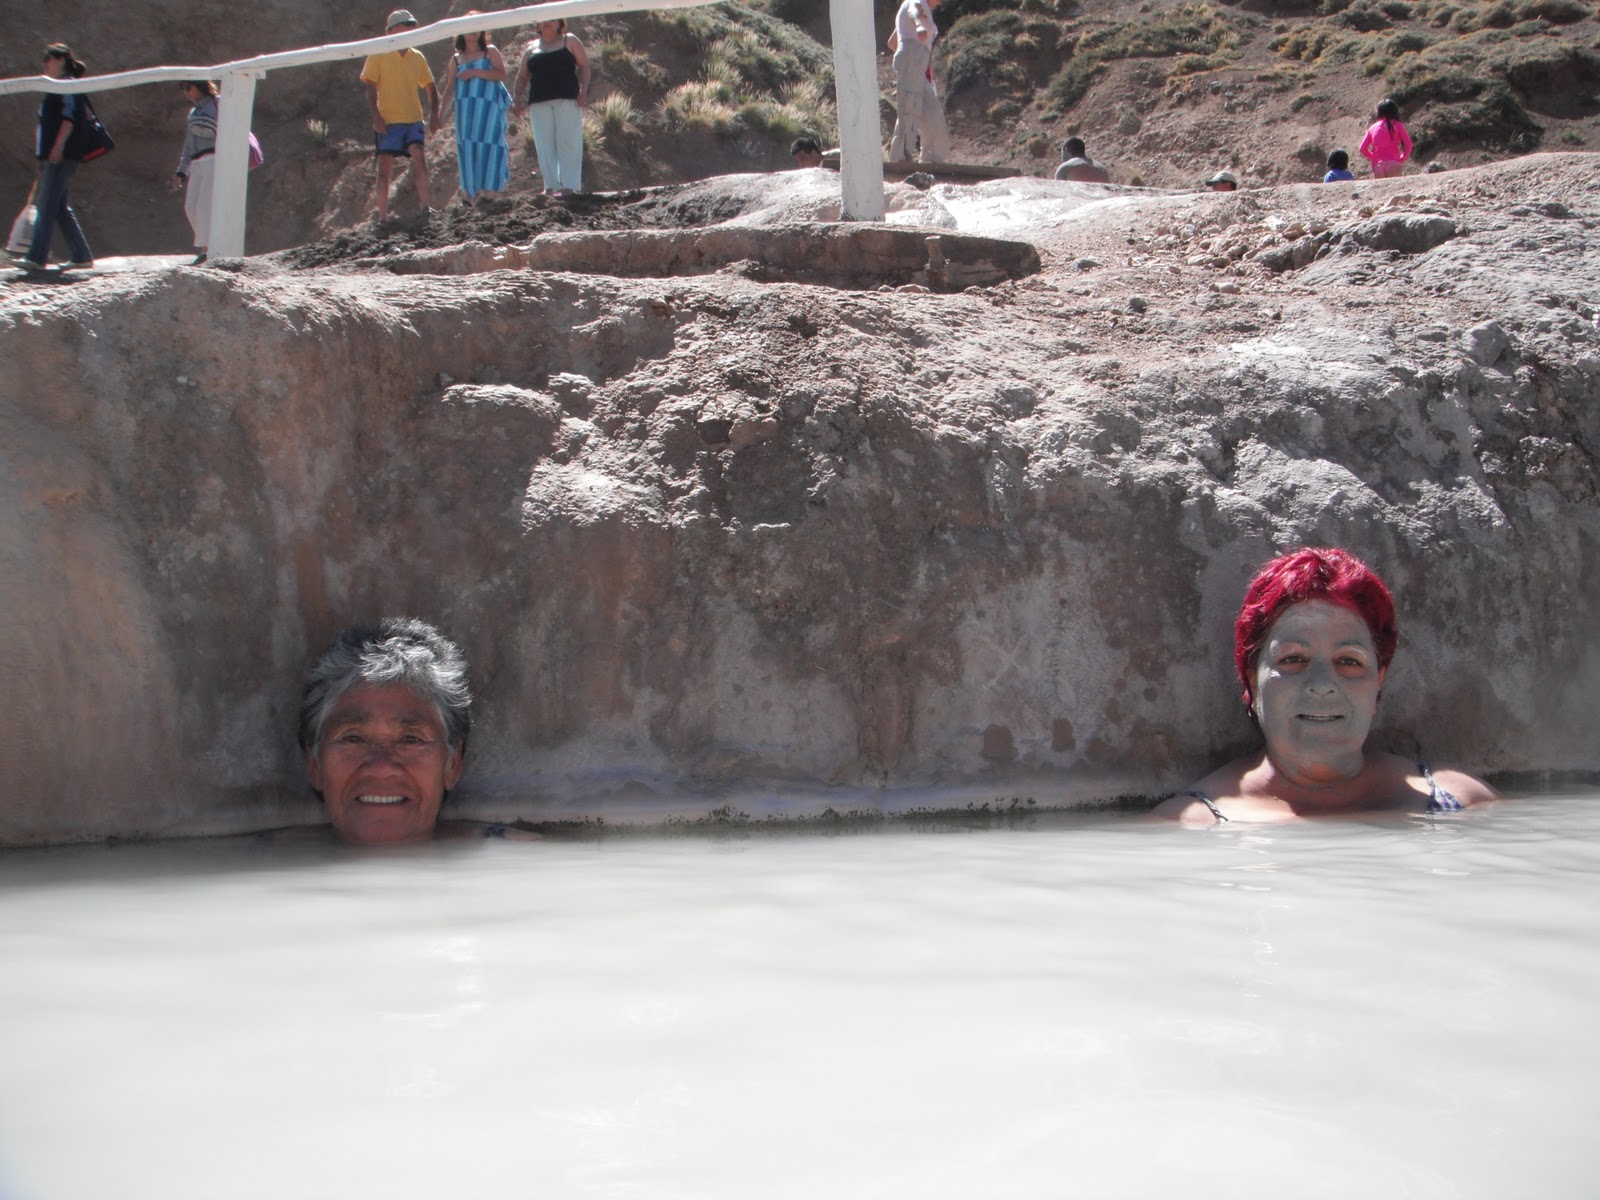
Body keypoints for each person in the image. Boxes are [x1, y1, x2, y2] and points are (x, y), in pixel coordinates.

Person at [1154, 548, 1498, 825]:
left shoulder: (1466, 804)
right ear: (1251, 680)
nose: (1322, 685)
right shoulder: (1190, 828)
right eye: (1293, 660)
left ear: (1377, 682)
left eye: (1349, 661)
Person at [299, 618, 471, 844]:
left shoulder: (515, 867)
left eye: (410, 740)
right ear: (314, 765)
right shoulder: (263, 865)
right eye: (353, 738)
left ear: (452, 765)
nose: (381, 768)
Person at [360, 8, 441, 220]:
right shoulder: (378, 52)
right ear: (393, 29)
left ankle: (425, 207)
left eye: (412, 25)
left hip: (413, 117)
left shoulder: (417, 57)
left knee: (419, 156)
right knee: (384, 168)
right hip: (388, 120)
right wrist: (376, 116)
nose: (412, 29)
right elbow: (370, 85)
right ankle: (383, 216)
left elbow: (430, 87)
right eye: (408, 25)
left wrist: (434, 114)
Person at [22, 43, 94, 273]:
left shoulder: (67, 85)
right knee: (59, 207)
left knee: (46, 205)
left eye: (48, 58)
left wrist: (57, 147)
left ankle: (36, 256)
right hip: (53, 155)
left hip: (61, 155)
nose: (45, 63)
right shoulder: (55, 87)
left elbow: (69, 118)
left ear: (59, 59)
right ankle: (81, 256)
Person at [512, 18, 589, 196]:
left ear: (559, 22)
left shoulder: (570, 41)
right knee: (544, 144)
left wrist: (583, 91)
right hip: (539, 102)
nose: (547, 22)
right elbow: (522, 76)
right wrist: (517, 98)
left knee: (568, 141)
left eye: (552, 19)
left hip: (567, 98)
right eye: (543, 20)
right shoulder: (531, 47)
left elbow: (584, 66)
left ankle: (570, 186)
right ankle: (551, 185)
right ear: (537, 25)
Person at [446, 18, 510, 202]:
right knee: (467, 147)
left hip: (488, 110)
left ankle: (490, 192)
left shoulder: (489, 52)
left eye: (477, 27)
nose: (474, 31)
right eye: (469, 27)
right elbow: (449, 89)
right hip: (465, 113)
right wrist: (439, 115)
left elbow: (500, 73)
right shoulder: (456, 59)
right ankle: (468, 194)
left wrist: (475, 72)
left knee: (491, 143)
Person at [886, 0, 949, 165]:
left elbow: (893, 42)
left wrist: (916, 58)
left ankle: (931, 157)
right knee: (909, 108)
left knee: (932, 110)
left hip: (916, 62)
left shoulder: (925, 8)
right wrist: (919, 25)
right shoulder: (917, 2)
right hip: (913, 59)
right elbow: (913, 11)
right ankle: (899, 159)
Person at [172, 80, 219, 265]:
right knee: (191, 206)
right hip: (197, 163)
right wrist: (181, 171)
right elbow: (188, 144)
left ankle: (208, 249)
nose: (186, 92)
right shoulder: (193, 113)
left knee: (204, 207)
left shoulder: (219, 104)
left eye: (188, 88)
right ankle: (208, 244)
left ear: (200, 86)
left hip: (214, 159)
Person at [1359, 98, 1412, 179]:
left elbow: (1362, 149)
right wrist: (1402, 158)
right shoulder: (1397, 125)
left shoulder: (1372, 127)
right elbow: (1408, 145)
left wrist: (1374, 157)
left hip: (1378, 166)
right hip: (1394, 163)